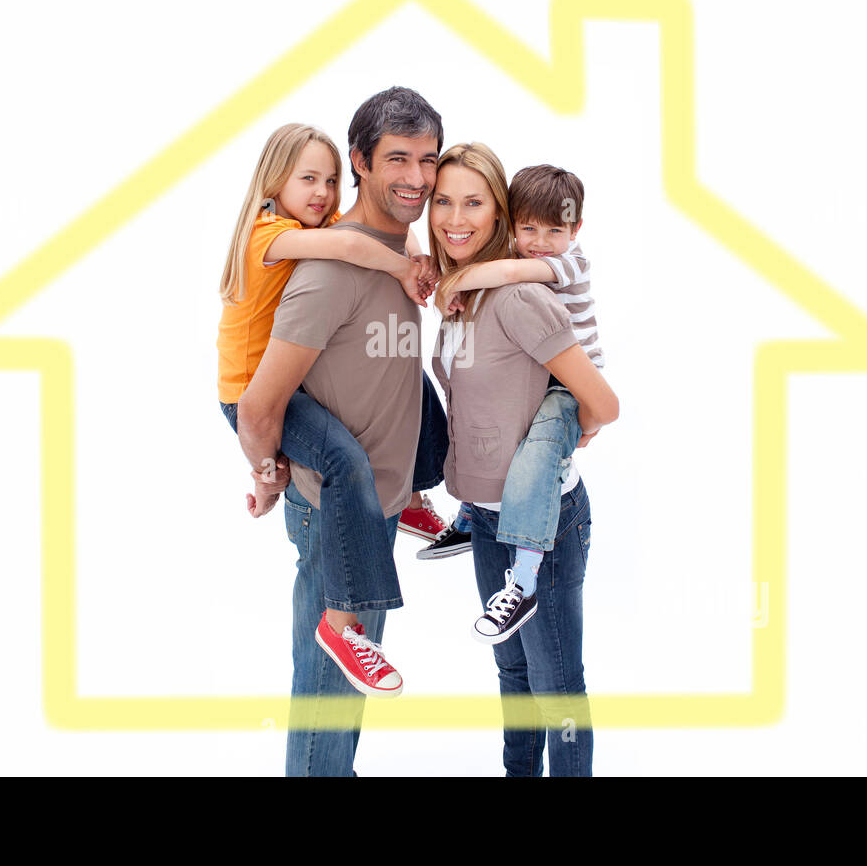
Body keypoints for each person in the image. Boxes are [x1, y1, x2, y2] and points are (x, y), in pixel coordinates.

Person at [237, 87, 443, 776]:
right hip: (336, 506)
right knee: (329, 700)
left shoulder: (400, 244)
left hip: (377, 502)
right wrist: (268, 479)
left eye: (429, 159)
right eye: (397, 159)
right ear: (360, 161)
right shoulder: (330, 266)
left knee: (346, 697)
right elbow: (262, 406)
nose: (417, 177)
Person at [428, 142, 619, 777]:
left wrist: (574, 429)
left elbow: (602, 402)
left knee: (556, 683)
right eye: (443, 202)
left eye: (474, 203)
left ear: (495, 214)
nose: (457, 217)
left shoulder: (518, 290)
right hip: (487, 517)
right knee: (512, 665)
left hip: (546, 520)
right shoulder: (464, 298)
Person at [428, 164, 604, 644]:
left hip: (567, 386)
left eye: (555, 230)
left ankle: (524, 579)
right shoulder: (505, 273)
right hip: (544, 378)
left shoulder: (566, 263)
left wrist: (455, 280)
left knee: (534, 458)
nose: (540, 242)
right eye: (528, 228)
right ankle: (468, 514)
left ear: (576, 230)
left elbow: (508, 269)